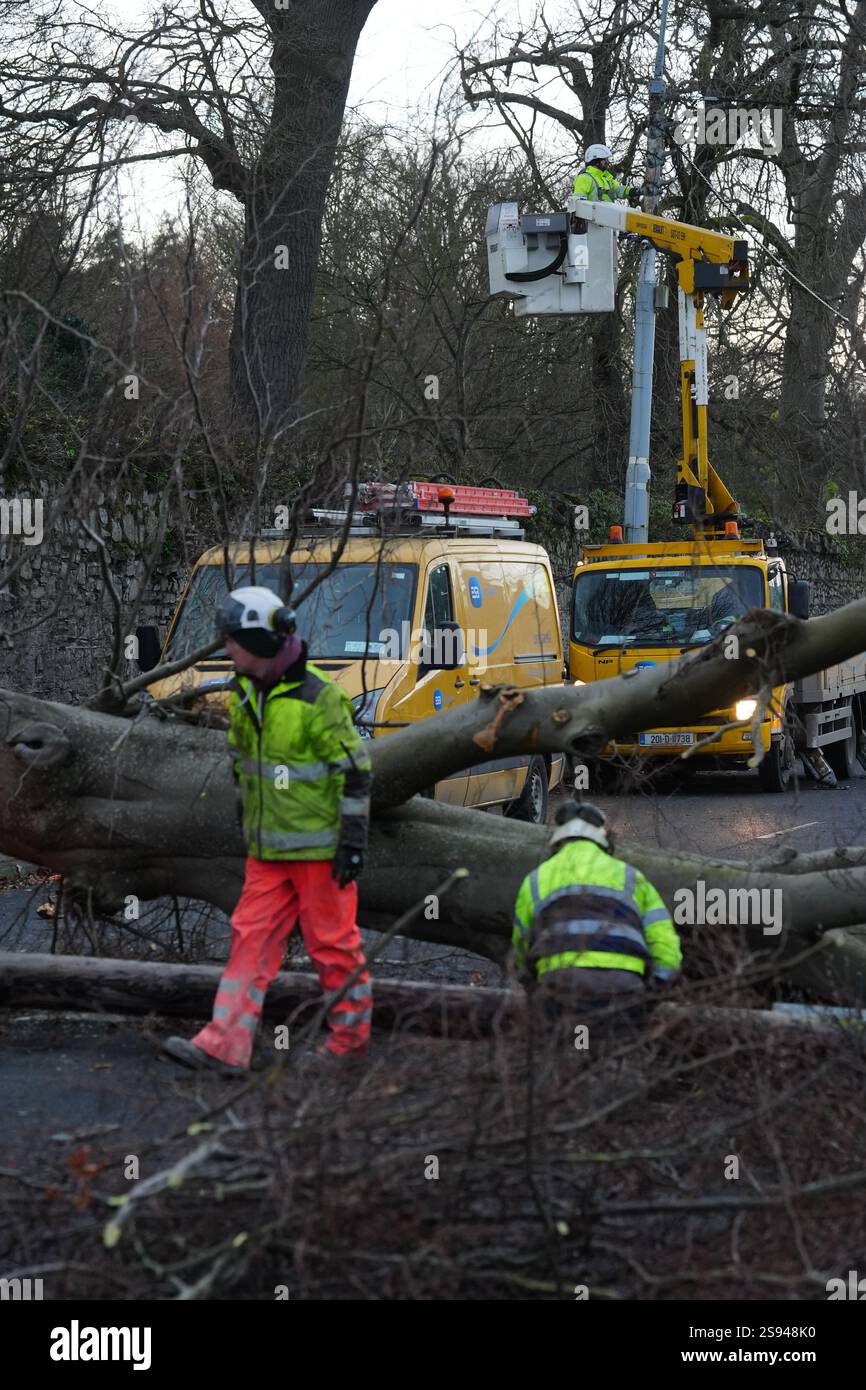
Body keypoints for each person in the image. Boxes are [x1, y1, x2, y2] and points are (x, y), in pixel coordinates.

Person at [163, 586, 373, 1076]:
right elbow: (243, 764)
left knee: (333, 946)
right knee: (250, 942)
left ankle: (350, 1045)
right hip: (267, 852)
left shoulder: (319, 698)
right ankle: (225, 1045)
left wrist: (353, 841)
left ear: (259, 640)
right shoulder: (245, 692)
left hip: (321, 852)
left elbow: (356, 771)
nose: (226, 648)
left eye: (233, 640)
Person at [511, 799, 681, 1031]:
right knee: (618, 1055)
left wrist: (531, 984)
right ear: (605, 843)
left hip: (560, 986)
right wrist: (657, 985)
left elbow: (520, 946)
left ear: (556, 843)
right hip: (623, 988)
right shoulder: (631, 877)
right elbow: (665, 944)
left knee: (563, 1056)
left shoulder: (535, 880)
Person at [573, 143, 640, 206]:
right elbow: (578, 204)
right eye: (605, 160)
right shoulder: (584, 178)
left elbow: (618, 190)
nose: (607, 162)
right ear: (596, 162)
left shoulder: (606, 179)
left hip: (607, 217)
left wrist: (633, 191)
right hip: (591, 218)